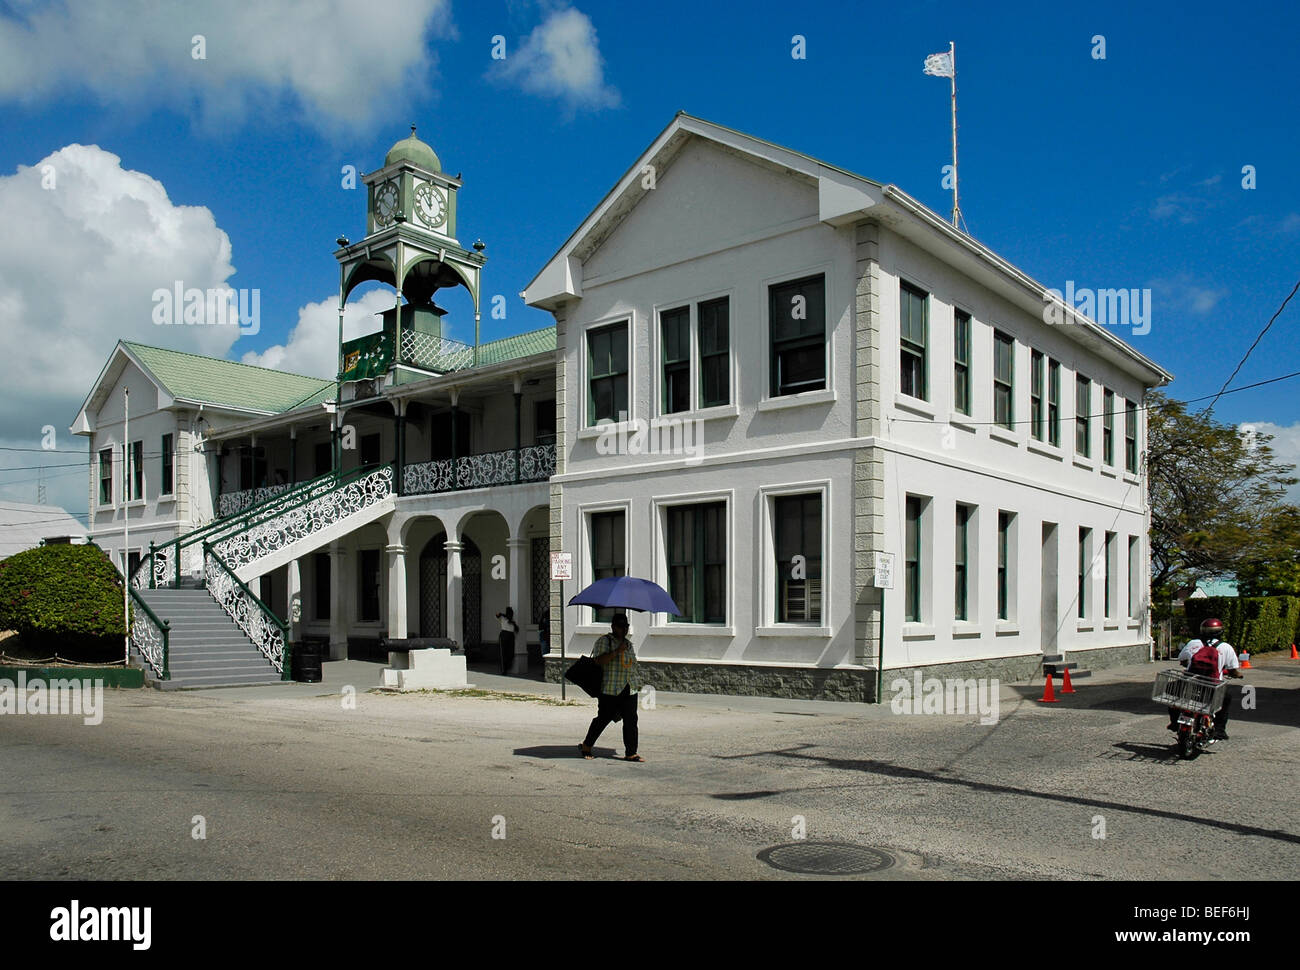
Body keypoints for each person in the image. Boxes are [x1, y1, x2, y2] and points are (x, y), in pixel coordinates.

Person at [578, 612, 643, 762]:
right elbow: (598, 661)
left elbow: (632, 664)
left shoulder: (628, 644)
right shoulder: (604, 641)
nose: (624, 629)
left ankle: (631, 752)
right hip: (610, 689)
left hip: (629, 687)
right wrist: (617, 651)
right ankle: (587, 745)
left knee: (631, 720)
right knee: (603, 718)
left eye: (626, 626)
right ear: (613, 627)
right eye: (620, 626)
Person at [1168, 617, 1243, 740]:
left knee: (1171, 690)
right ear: (1220, 631)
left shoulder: (1193, 643)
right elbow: (1233, 670)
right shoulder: (1226, 647)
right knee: (1226, 698)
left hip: (1190, 682)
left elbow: (1182, 660)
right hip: (1212, 685)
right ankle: (1219, 730)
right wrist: (1237, 674)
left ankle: (1174, 722)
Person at [496, 607, 519, 675]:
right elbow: (497, 615)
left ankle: (507, 666)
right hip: (504, 634)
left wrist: (513, 623)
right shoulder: (503, 618)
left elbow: (517, 630)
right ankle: (504, 670)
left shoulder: (512, 620)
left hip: (511, 635)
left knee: (510, 653)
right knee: (503, 653)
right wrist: (503, 615)